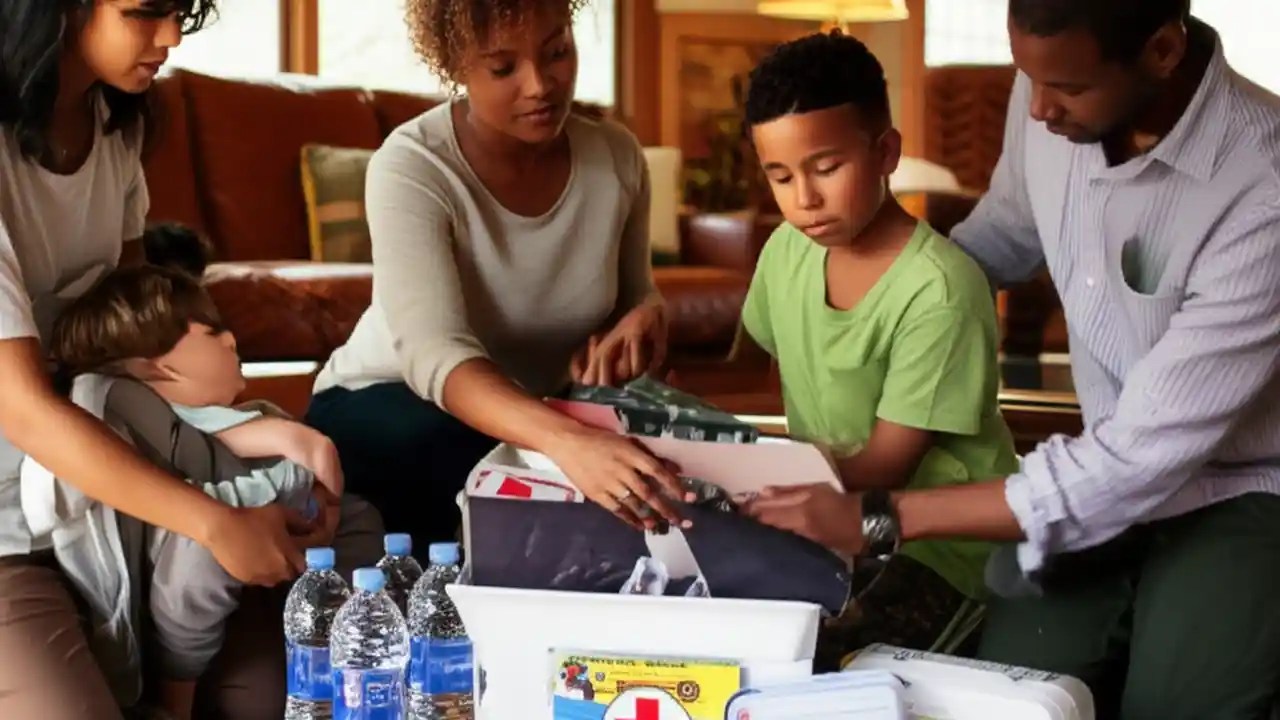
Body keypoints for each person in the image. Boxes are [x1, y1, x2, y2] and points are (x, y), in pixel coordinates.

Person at [744, 1, 1280, 716]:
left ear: (1160, 50)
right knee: (1005, 688)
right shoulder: (1049, 91)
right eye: (1027, 76)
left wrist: (877, 516)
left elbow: (1133, 462)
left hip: (1238, 487)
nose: (1038, 110)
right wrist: (906, 310)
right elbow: (1005, 232)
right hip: (1101, 469)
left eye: (1067, 89)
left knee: (1170, 703)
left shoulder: (1263, 186)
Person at [0, 1, 317, 717]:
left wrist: (267, 455)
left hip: (119, 501)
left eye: (180, 11)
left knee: (275, 697)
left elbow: (145, 342)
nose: (171, 36)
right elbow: (22, 411)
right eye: (145, 11)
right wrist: (211, 520)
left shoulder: (113, 126)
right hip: (9, 529)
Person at [306, 0, 689, 553]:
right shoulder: (413, 165)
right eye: (503, 68)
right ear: (455, 65)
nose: (539, 85)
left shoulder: (616, 157)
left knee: (665, 455)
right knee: (488, 459)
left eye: (556, 52)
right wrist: (569, 441)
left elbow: (635, 295)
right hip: (391, 410)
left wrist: (646, 316)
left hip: (536, 417)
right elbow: (436, 356)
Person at [734, 31, 1019, 671]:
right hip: (827, 515)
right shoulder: (785, 251)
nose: (803, 198)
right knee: (729, 628)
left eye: (826, 168)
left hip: (939, 545)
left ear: (886, 151)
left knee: (825, 660)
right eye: (781, 176)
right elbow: (779, 366)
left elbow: (886, 463)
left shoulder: (939, 288)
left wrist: (756, 479)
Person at [49, 264, 385, 719]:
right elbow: (227, 481)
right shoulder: (127, 408)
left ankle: (348, 649)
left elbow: (235, 443)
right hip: (173, 597)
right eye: (213, 332)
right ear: (159, 365)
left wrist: (301, 465)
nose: (231, 341)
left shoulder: (207, 419)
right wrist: (298, 460)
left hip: (262, 570)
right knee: (199, 554)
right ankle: (175, 700)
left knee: (359, 518)